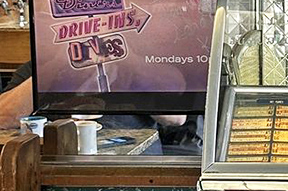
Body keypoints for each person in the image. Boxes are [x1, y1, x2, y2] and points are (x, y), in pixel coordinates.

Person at [0, 63, 190, 154]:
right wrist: (54, 70)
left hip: (135, 163)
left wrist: (131, 70)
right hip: (57, 165)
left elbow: (177, 118)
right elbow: (4, 116)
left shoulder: (140, 65)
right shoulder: (43, 65)